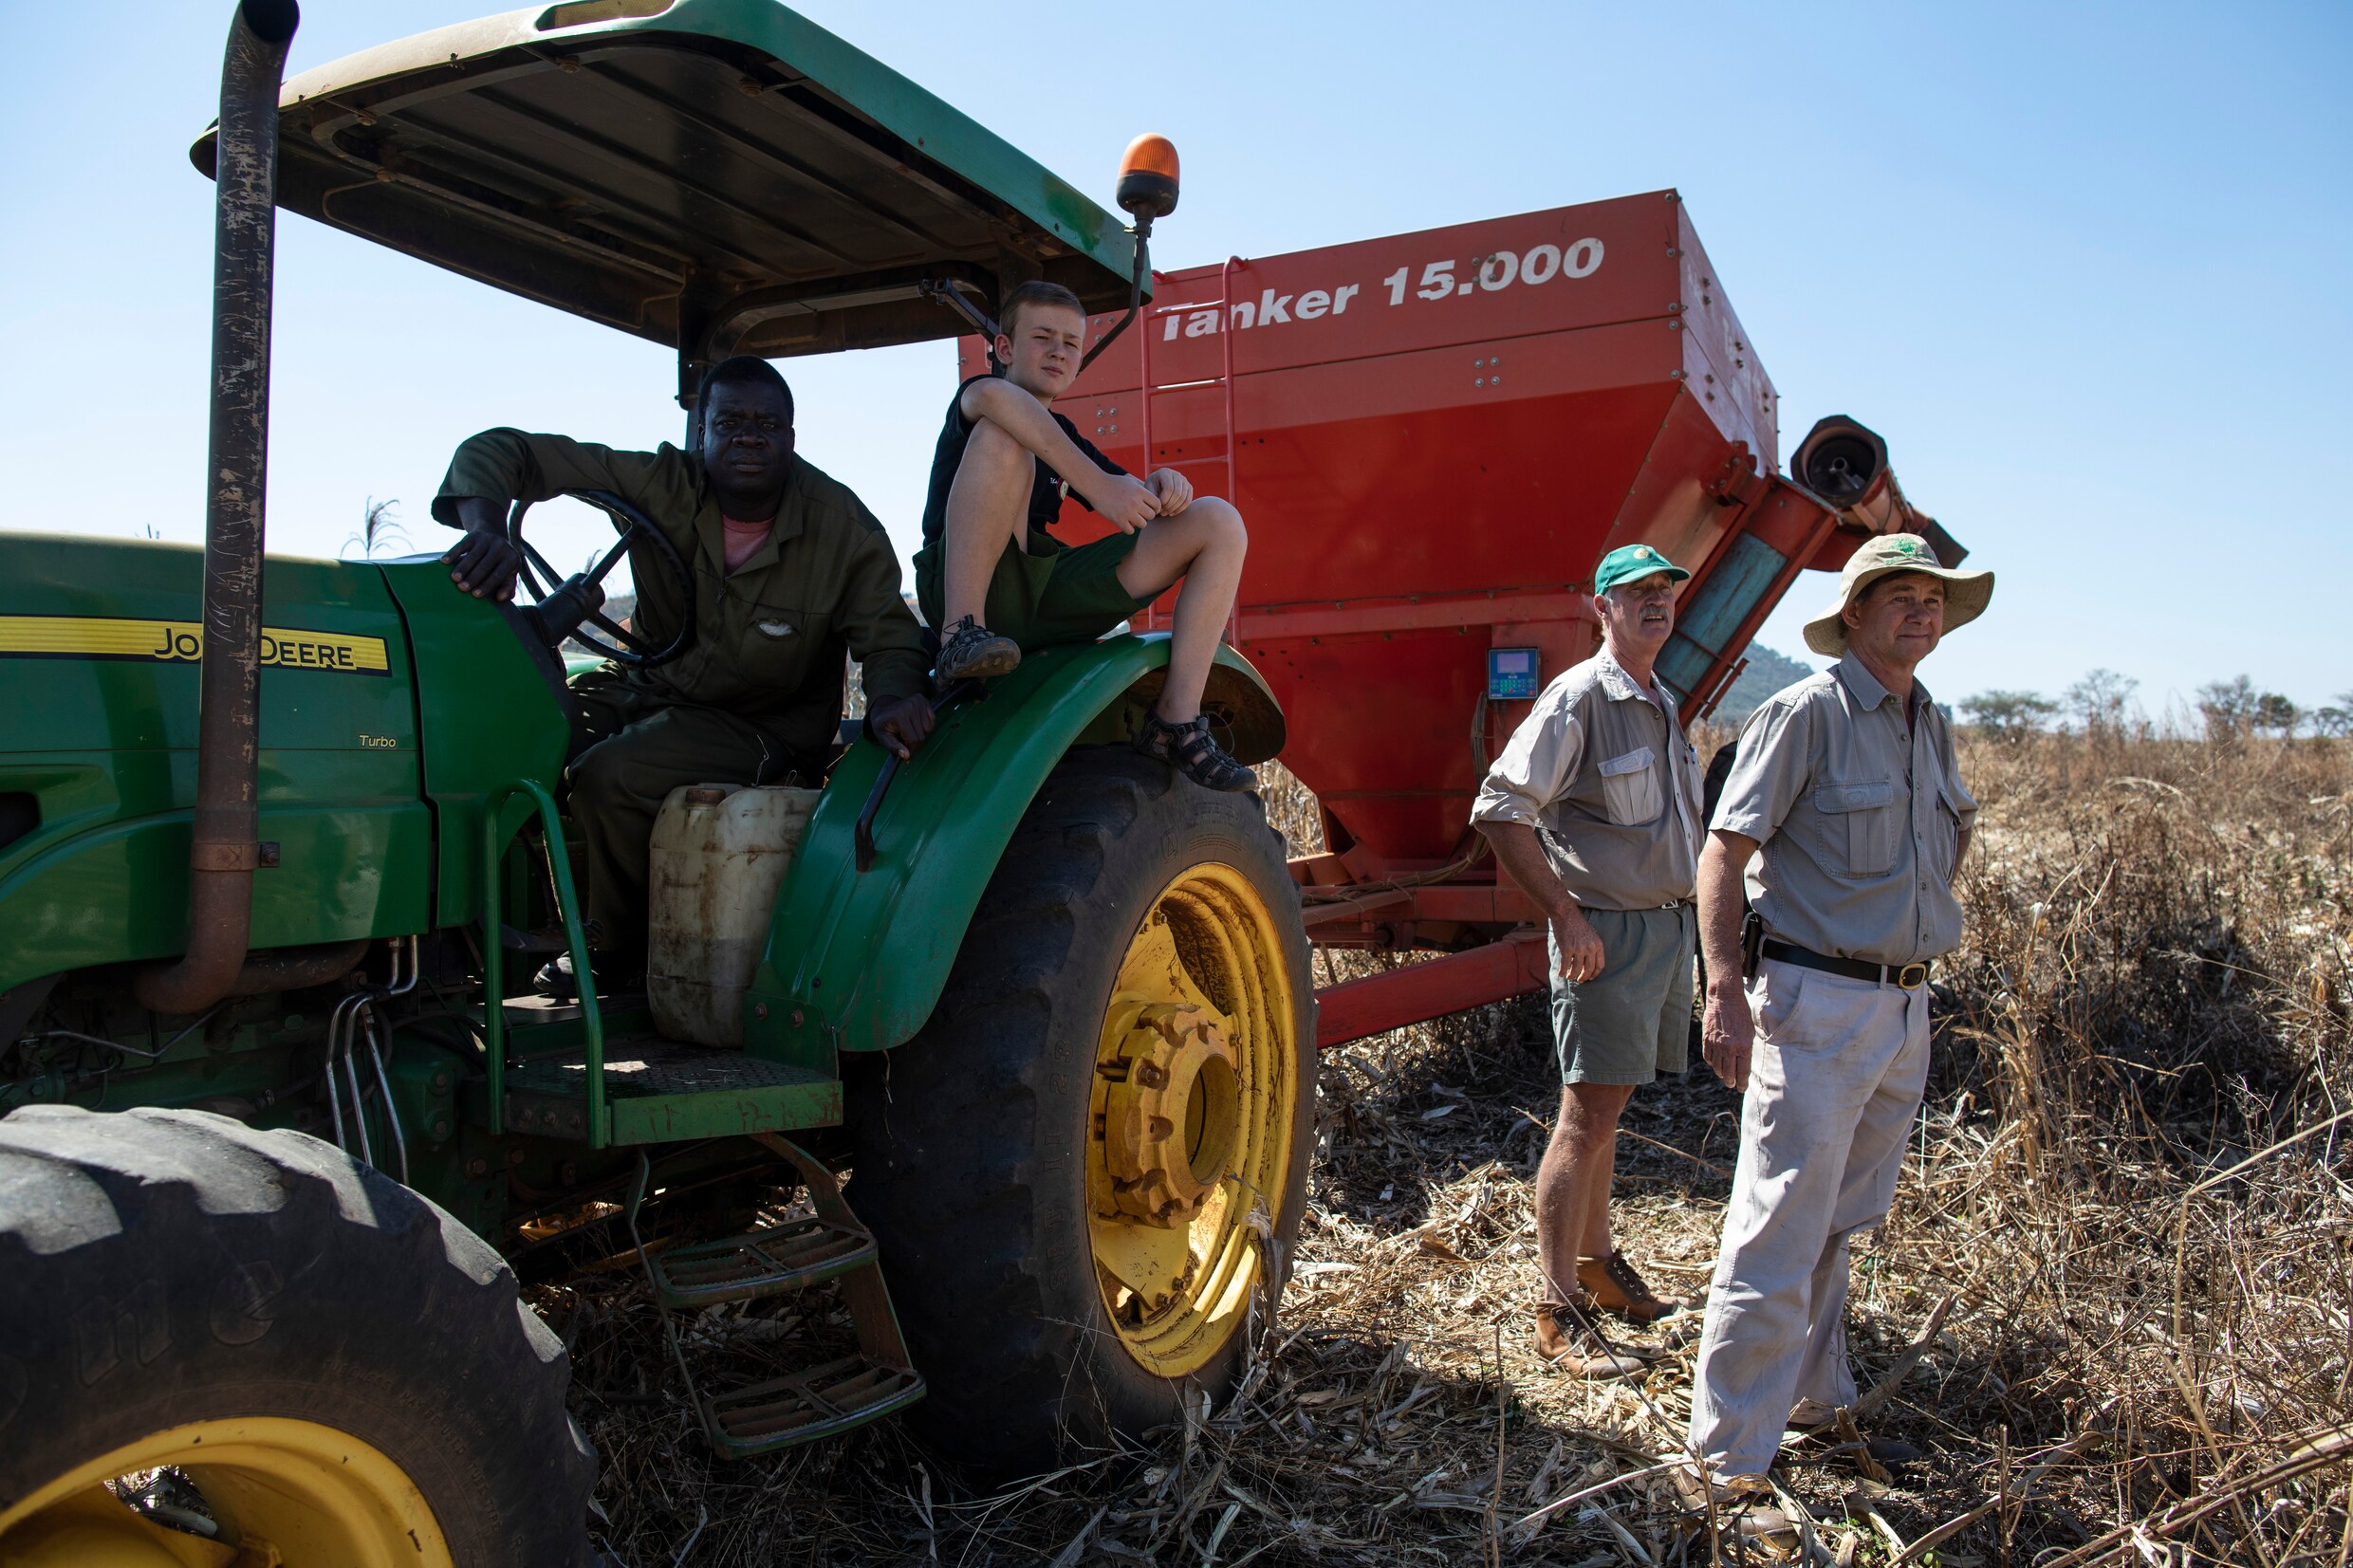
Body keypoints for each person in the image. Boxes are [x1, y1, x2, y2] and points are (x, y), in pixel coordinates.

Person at [1678, 533, 1993, 1530]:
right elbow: (1723, 854)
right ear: (1852, 616)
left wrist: (1913, 928)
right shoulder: (1805, 712)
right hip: (1814, 1004)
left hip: (1901, 1007)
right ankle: (1726, 1459)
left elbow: (1950, 833)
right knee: (1774, 1230)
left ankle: (1816, 1408)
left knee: (1838, 1226)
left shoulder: (1923, 720)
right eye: (1897, 597)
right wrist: (1722, 987)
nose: (1919, 613)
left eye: (1930, 600)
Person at [434, 356, 936, 975]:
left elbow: (888, 636)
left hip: (762, 726)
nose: (748, 435)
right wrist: (488, 532)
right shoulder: (661, 483)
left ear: (792, 437)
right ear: (703, 434)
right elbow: (500, 450)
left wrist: (888, 700)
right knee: (523, 730)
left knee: (609, 775)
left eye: (767, 424)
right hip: (650, 689)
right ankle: (487, 938)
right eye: (731, 421)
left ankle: (614, 953)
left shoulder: (844, 529)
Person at [1472, 544, 1706, 1378]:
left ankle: (1601, 1270)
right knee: (1582, 1118)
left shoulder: (1661, 702)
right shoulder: (1579, 698)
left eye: (1663, 591)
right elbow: (1501, 808)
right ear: (1598, 607)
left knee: (1609, 1111)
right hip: (1604, 933)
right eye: (1634, 592)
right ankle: (1556, 1309)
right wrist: (1567, 916)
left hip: (1662, 933)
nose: (1654, 603)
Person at [912, 280, 1255, 790]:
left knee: (1217, 520)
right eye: (1043, 337)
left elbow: (1124, 496)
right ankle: (960, 637)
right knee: (1005, 435)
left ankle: (1176, 720)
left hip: (1041, 594)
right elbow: (995, 400)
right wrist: (1099, 485)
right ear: (1003, 348)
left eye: (1071, 343)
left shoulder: (1065, 436)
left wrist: (1161, 488)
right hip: (969, 590)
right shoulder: (981, 397)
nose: (1059, 351)